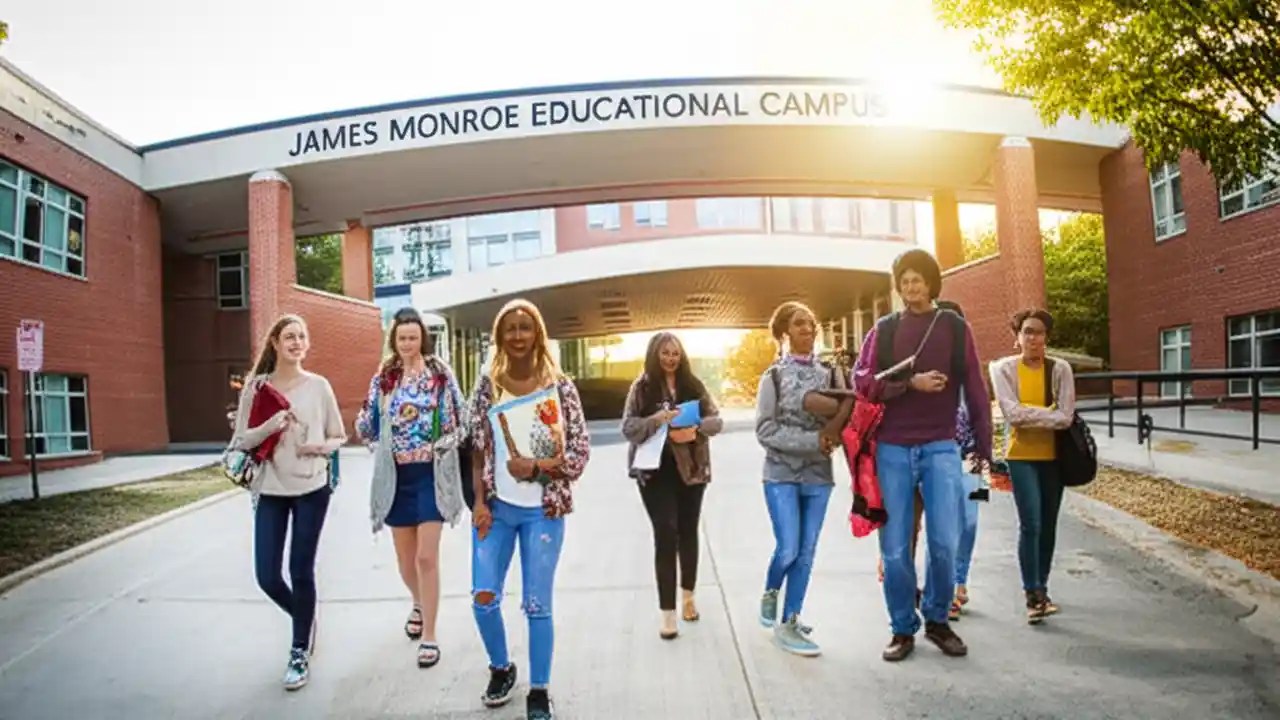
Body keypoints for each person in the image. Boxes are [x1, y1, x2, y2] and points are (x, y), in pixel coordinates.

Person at [853, 249, 991, 662]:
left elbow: (975, 387)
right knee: (894, 546)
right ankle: (901, 628)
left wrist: (984, 447)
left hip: (941, 446)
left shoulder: (953, 327)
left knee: (944, 540)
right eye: (905, 280)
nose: (911, 287)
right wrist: (909, 383)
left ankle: (937, 620)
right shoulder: (885, 329)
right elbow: (863, 382)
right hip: (893, 447)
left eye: (918, 279)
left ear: (932, 283)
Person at [467, 298, 591, 720]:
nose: (518, 335)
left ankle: (539, 689)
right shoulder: (487, 384)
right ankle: (501, 668)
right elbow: (476, 448)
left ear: (538, 333)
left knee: (538, 604)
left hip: (543, 512)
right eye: (510, 328)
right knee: (483, 597)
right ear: (499, 335)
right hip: (497, 510)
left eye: (525, 327)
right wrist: (479, 503)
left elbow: (578, 456)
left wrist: (535, 467)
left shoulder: (560, 387)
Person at [229, 314, 346, 691]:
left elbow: (338, 436)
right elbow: (241, 441)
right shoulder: (257, 387)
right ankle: (305, 617)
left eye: (301, 337)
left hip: (313, 487)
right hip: (270, 489)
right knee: (266, 575)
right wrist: (272, 425)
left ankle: (298, 651)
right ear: (275, 344)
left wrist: (320, 447)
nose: (297, 342)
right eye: (289, 337)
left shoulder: (319, 386)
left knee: (301, 570)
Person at [354, 307, 468, 669]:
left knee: (426, 557)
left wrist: (445, 443)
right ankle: (418, 602)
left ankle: (430, 635)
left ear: (422, 338)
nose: (407, 343)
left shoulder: (439, 373)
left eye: (413, 337)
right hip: (396, 478)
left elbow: (460, 419)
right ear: (394, 340)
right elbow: (368, 426)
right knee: (405, 561)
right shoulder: (385, 378)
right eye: (401, 337)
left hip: (431, 476)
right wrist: (367, 426)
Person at [755, 301, 851, 657]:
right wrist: (813, 441)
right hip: (780, 474)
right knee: (789, 547)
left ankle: (790, 620)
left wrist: (837, 431)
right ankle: (770, 588)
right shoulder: (773, 377)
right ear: (785, 332)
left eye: (811, 323)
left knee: (807, 553)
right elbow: (765, 429)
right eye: (799, 324)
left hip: (818, 476)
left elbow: (844, 418)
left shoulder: (830, 374)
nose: (808, 330)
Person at [621, 331, 724, 640]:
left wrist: (693, 430)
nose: (670, 358)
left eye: (675, 352)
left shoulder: (694, 386)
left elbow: (716, 421)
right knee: (666, 533)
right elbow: (628, 428)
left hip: (691, 471)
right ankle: (667, 615)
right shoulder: (641, 389)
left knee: (688, 531)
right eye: (665, 352)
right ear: (655, 355)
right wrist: (658, 419)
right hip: (654, 473)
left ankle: (688, 598)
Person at [988, 308, 1076, 624]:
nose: (1032, 337)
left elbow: (1066, 417)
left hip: (1055, 458)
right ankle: (1032, 593)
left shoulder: (1060, 369)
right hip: (1021, 455)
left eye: (1038, 331)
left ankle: (1043, 587)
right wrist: (1047, 414)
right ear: (1017, 337)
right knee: (1032, 524)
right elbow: (1011, 414)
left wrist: (1031, 415)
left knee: (1049, 526)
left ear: (1046, 337)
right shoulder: (1003, 369)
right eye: (1027, 331)